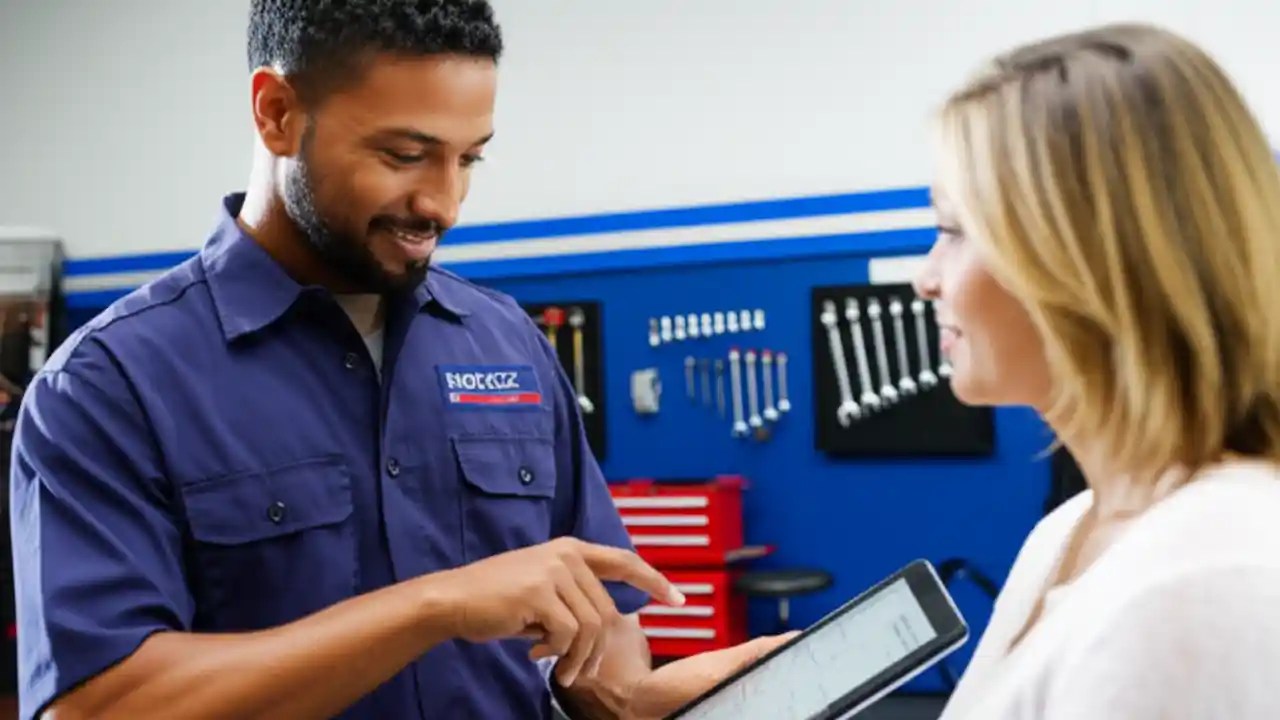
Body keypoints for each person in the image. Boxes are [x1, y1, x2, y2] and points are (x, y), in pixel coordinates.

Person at [7, 2, 787, 719]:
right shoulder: (108, 388)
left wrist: (636, 699)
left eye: (469, 159)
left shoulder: (507, 343)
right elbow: (98, 706)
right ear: (276, 113)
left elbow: (595, 618)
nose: (442, 203)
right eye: (405, 154)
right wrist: (435, 606)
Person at [914, 22, 1280, 719]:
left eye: (954, 230)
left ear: (1080, 261)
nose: (925, 279)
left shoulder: (1202, 583)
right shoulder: (1071, 530)